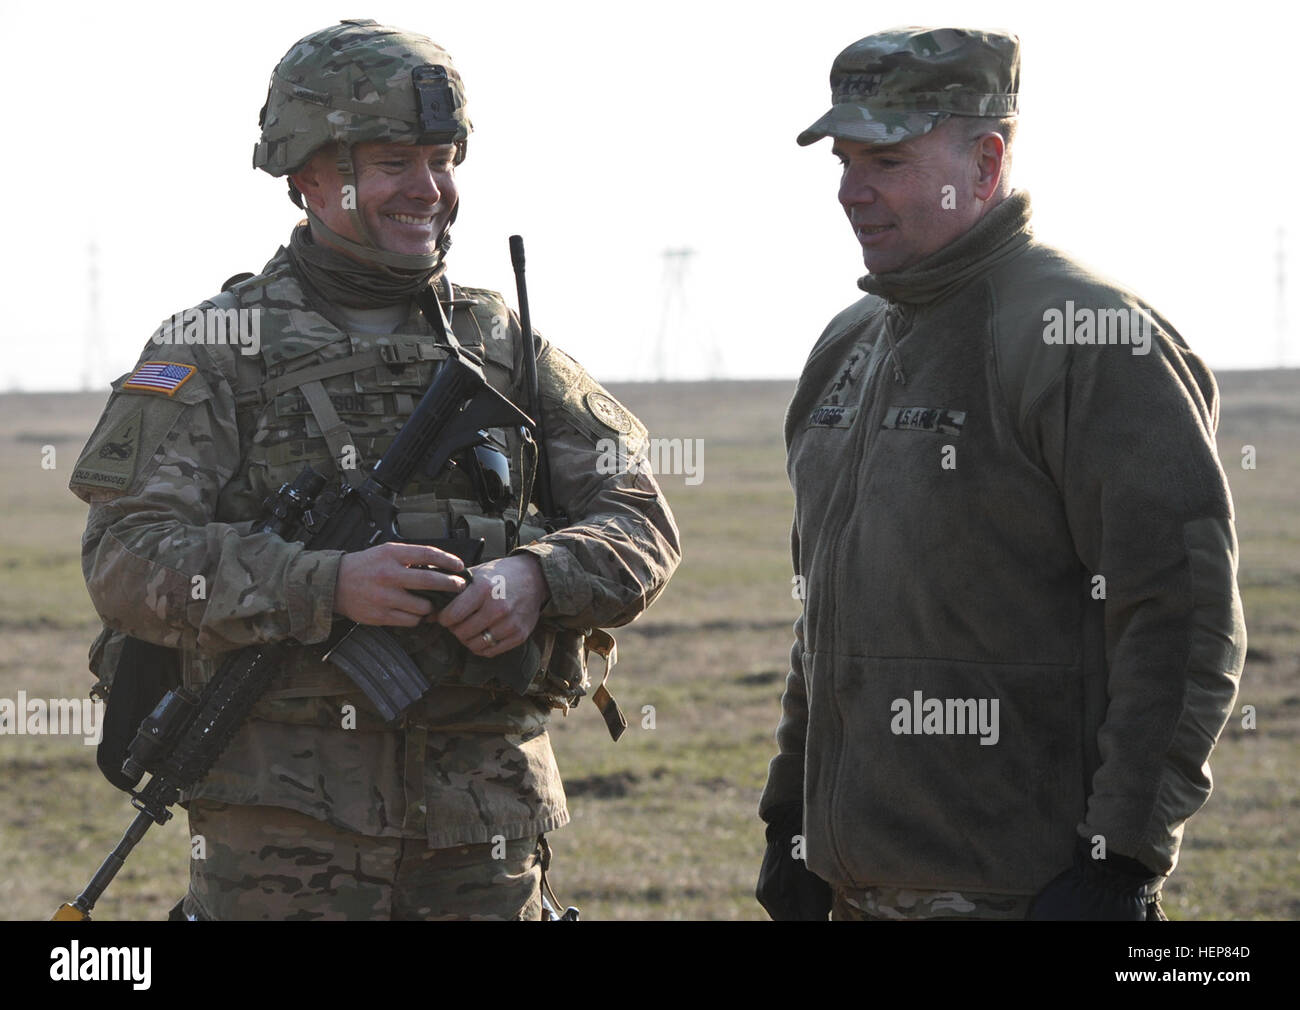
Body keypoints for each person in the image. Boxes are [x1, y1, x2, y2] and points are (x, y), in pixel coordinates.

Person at [69, 19, 680, 921]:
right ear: (308, 174)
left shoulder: (502, 342)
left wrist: (534, 577)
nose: (428, 190)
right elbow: (124, 556)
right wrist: (326, 583)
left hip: (488, 830)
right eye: (395, 161)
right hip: (284, 840)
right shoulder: (222, 347)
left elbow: (640, 518)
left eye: (442, 158)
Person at [756, 27, 1245, 921]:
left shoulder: (1091, 340)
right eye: (844, 159)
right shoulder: (846, 348)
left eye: (887, 161)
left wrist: (1121, 862)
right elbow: (823, 612)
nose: (850, 192)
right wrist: (789, 813)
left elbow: (1181, 621)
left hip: (1027, 892)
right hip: (854, 887)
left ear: (984, 163)